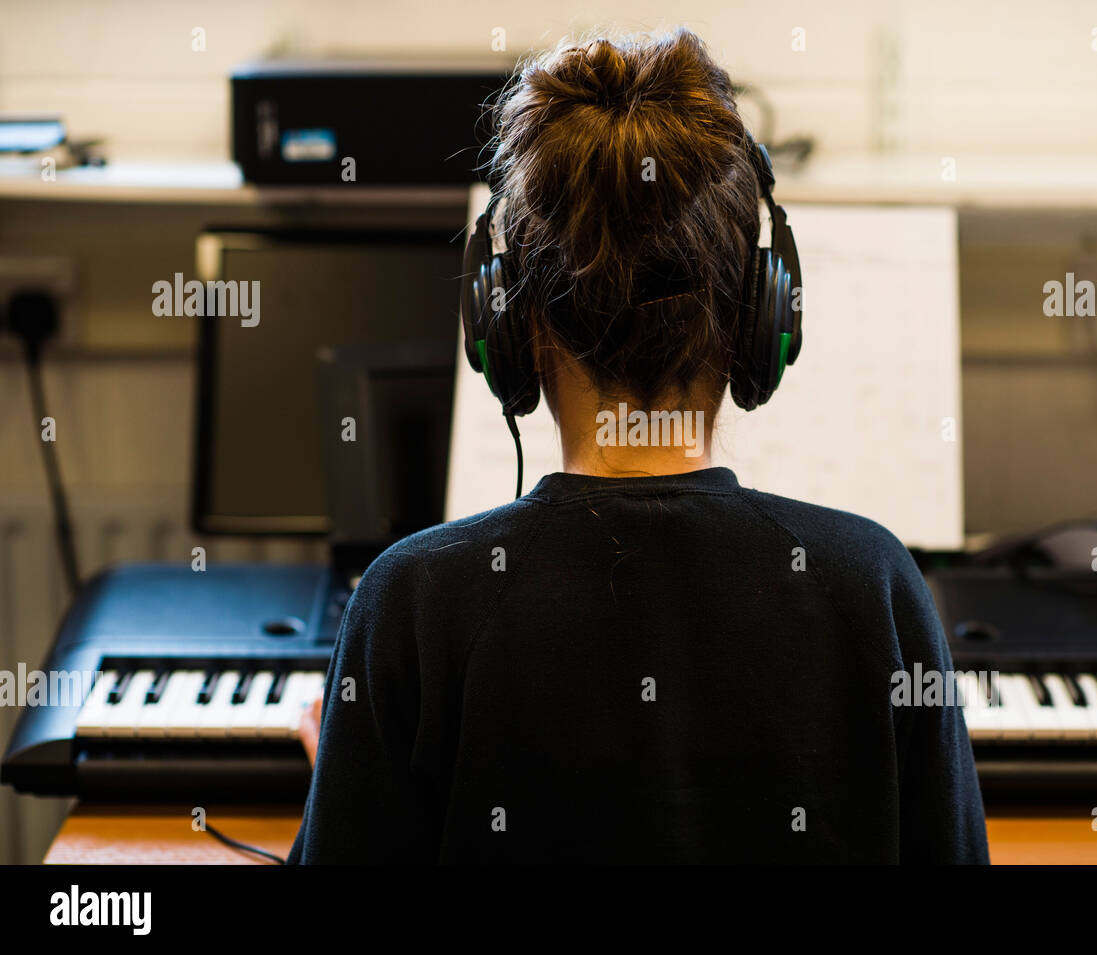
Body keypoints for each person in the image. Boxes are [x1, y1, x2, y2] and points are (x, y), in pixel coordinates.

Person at [289, 27, 988, 864]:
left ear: (510, 327)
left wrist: (345, 783)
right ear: (756, 322)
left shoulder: (410, 602)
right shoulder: (875, 584)